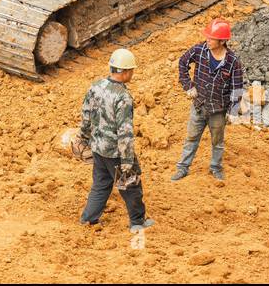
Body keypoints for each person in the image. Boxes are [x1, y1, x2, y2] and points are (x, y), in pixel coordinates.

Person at [78, 48, 154, 231]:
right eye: (132, 70)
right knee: (130, 187)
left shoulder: (95, 86)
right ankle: (137, 222)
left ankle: (89, 219)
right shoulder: (123, 97)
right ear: (126, 71)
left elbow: (86, 115)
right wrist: (127, 161)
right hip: (115, 152)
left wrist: (83, 137)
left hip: (97, 147)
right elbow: (125, 132)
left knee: (101, 184)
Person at [171, 18, 244, 182]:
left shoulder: (233, 62)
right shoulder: (199, 50)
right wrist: (188, 85)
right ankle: (182, 168)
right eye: (208, 37)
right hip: (199, 105)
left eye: (211, 38)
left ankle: (215, 168)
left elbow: (237, 87)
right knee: (191, 138)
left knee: (217, 141)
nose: (208, 40)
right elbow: (183, 62)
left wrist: (233, 111)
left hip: (218, 109)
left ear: (222, 41)